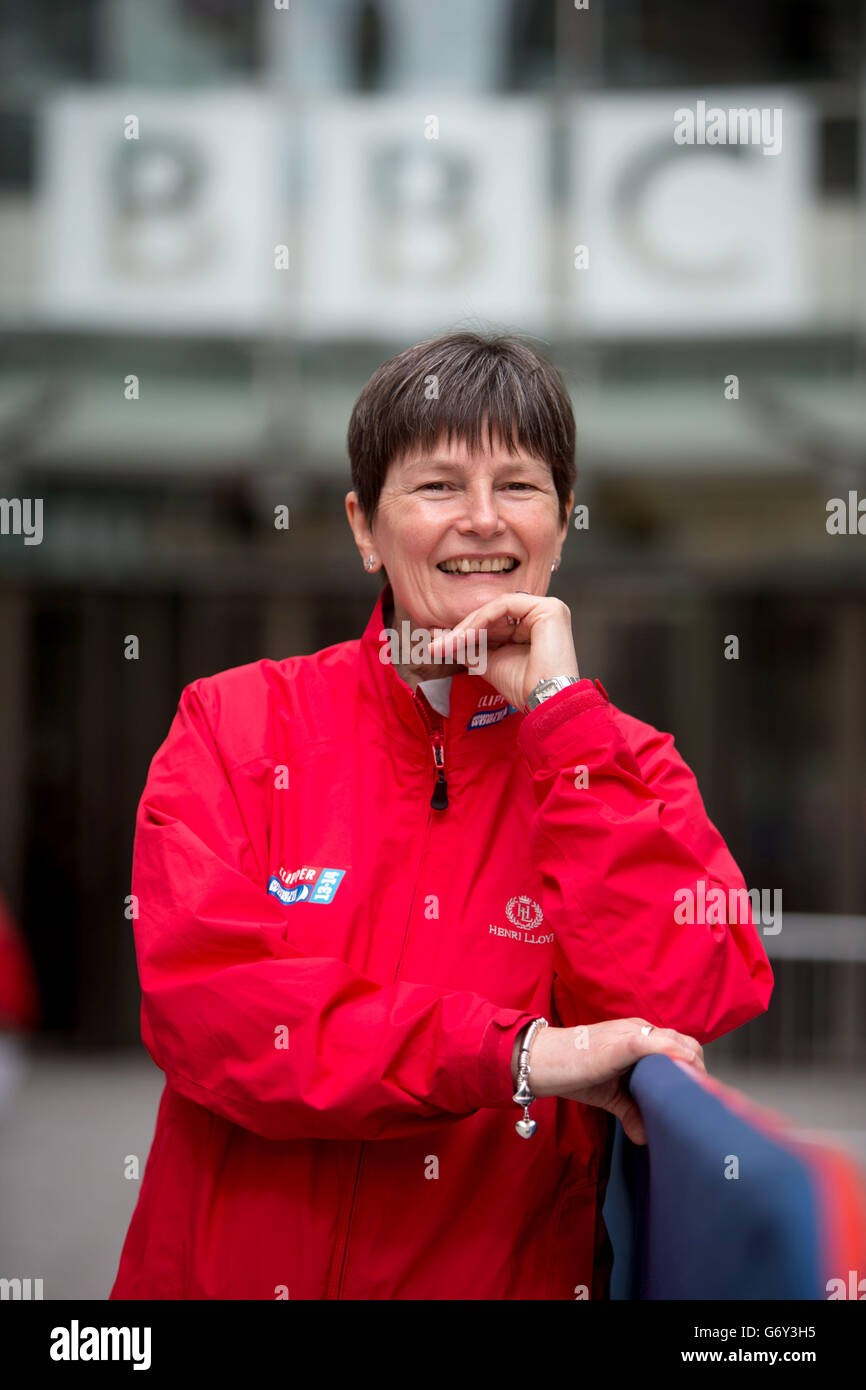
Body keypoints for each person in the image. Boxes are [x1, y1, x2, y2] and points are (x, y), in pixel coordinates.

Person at [110, 332, 773, 1301]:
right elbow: (212, 1010)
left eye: (518, 485)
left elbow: (681, 1004)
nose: (479, 520)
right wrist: (513, 1054)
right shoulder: (235, 723)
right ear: (362, 527)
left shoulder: (621, 760)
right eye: (434, 486)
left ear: (562, 519)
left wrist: (560, 725)